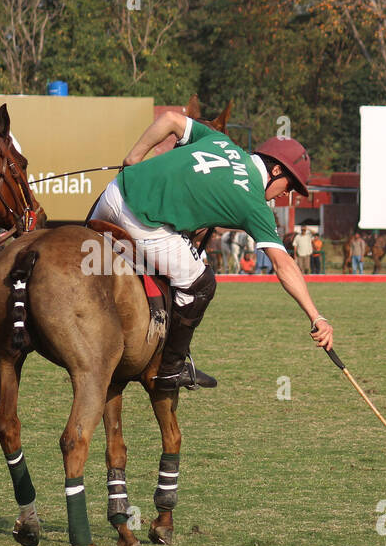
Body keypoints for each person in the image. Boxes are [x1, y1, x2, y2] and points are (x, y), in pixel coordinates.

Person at [96, 114, 334, 392]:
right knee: (201, 283)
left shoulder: (221, 141)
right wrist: (316, 317)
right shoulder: (254, 203)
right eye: (290, 186)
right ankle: (169, 370)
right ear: (277, 171)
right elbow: (283, 265)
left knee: (87, 260)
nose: (286, 194)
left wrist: (133, 158)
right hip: (142, 223)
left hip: (113, 194)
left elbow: (171, 120)